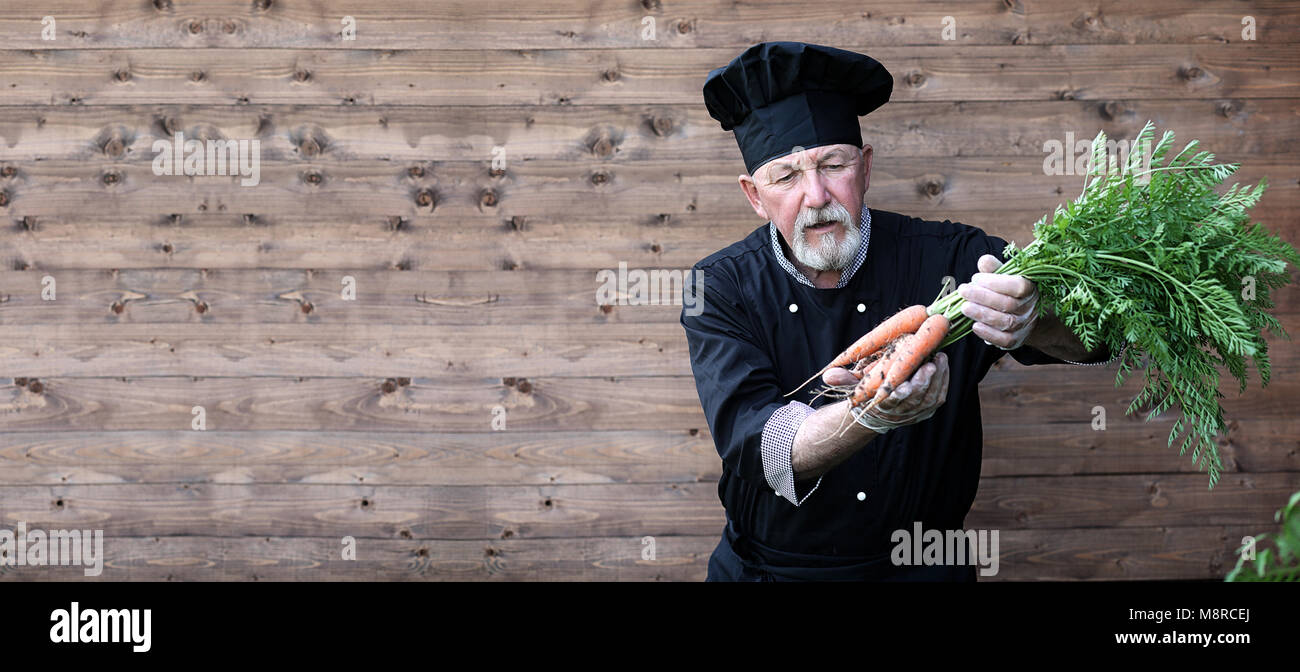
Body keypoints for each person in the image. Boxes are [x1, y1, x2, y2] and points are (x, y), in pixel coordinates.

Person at [682, 42, 1118, 581]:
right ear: (754, 194)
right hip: (772, 573)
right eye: (787, 176)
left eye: (832, 164)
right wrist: (872, 413)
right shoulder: (720, 286)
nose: (816, 195)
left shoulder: (954, 257)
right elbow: (762, 445)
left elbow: (1098, 334)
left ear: (864, 168)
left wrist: (1037, 317)